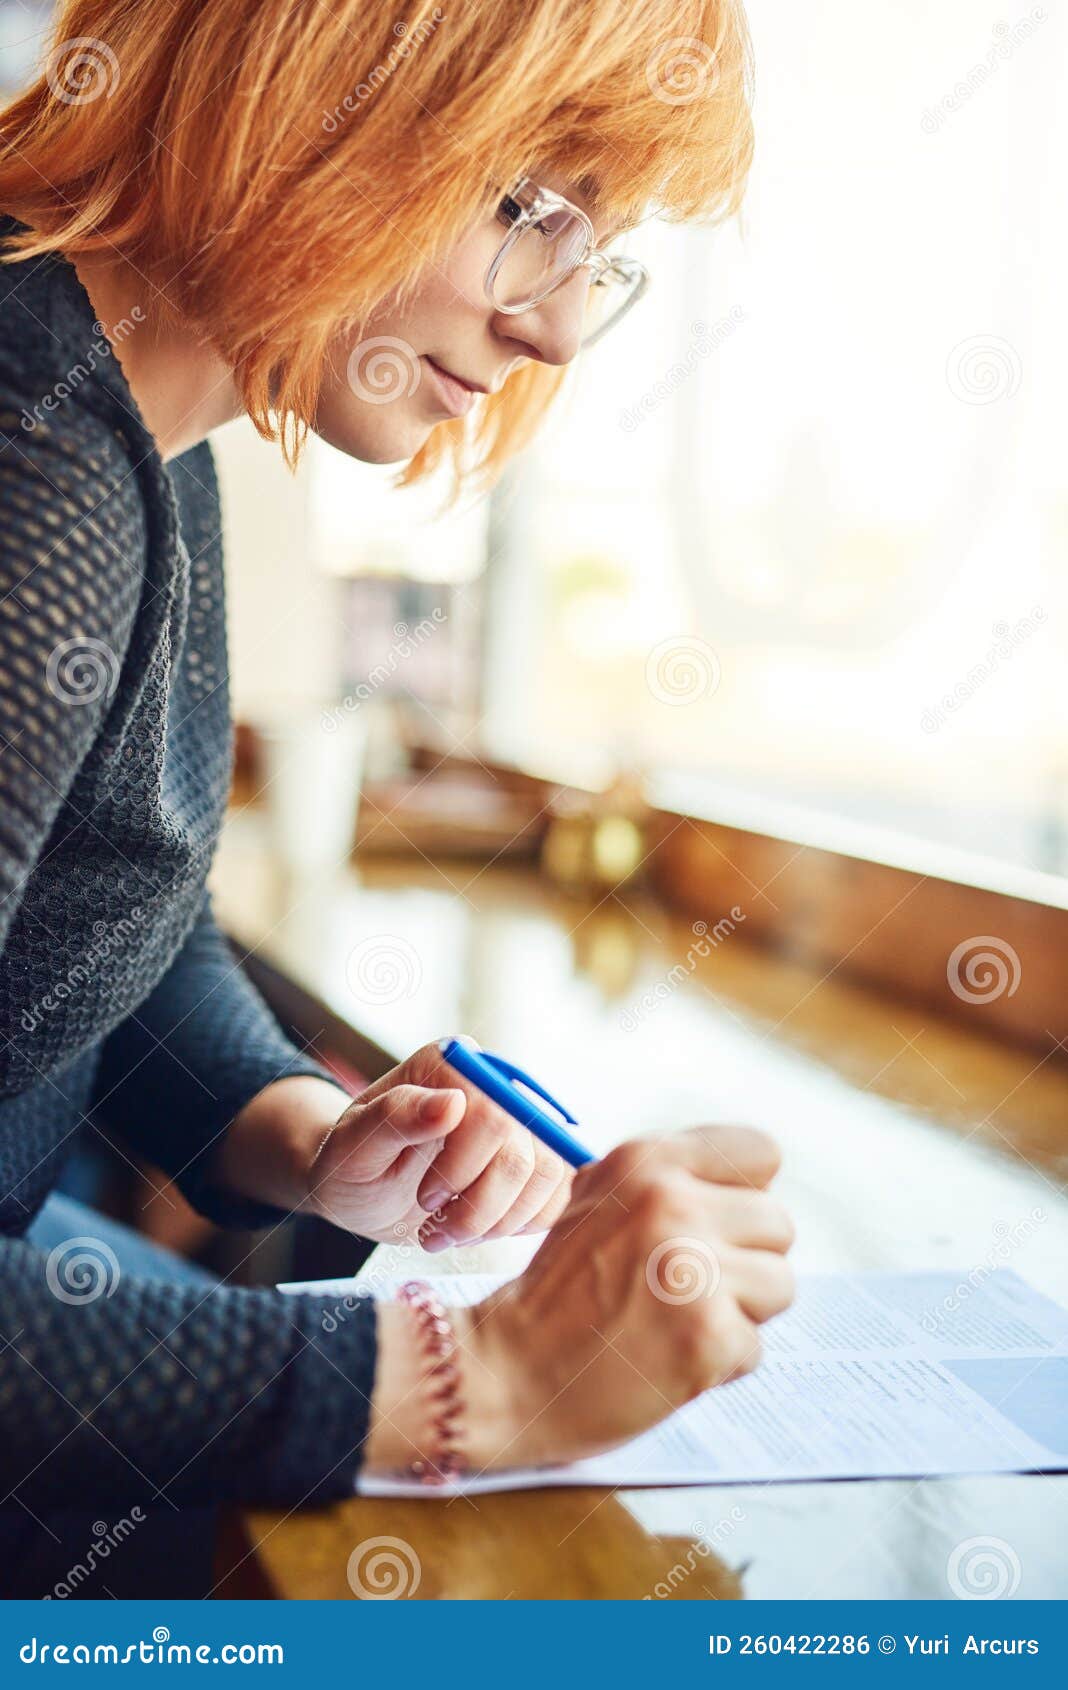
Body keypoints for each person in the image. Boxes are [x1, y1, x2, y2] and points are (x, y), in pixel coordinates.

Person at [0, 0, 792, 1594]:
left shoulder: (148, 438)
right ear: (300, 82)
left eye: (599, 247)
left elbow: (95, 932)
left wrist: (312, 1133)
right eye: (529, 208)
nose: (557, 332)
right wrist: (478, 1379)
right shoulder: (38, 466)